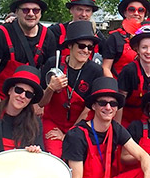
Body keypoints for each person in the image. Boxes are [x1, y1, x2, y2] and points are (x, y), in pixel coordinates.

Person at [0, 0, 58, 104]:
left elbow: (49, 74)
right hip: (2, 100)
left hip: (30, 102)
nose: (31, 14)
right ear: (16, 12)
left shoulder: (48, 36)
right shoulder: (1, 33)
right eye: (25, 10)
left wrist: (40, 103)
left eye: (36, 10)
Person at [37, 21, 103, 157]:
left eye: (90, 47)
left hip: (81, 125)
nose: (86, 51)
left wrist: (69, 133)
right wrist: (50, 88)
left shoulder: (95, 70)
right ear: (70, 45)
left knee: (80, 157)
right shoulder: (53, 63)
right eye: (82, 46)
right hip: (53, 123)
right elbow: (41, 103)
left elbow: (89, 108)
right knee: (55, 156)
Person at [101, 0, 150, 78]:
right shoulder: (115, 38)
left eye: (141, 10)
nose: (136, 13)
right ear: (125, 12)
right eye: (131, 9)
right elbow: (106, 68)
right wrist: (113, 88)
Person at [50, 0, 105, 65]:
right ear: (71, 10)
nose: (83, 14)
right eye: (79, 9)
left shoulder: (97, 35)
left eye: (88, 11)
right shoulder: (56, 31)